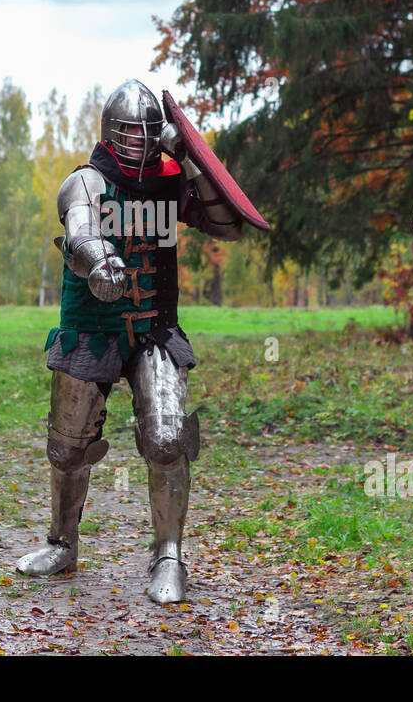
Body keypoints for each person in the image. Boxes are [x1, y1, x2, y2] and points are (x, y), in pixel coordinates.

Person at [15, 78, 243, 604]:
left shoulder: (168, 183)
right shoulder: (87, 181)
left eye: (148, 135)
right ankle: (62, 543)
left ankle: (169, 556)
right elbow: (80, 230)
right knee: (68, 450)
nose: (140, 144)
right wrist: (100, 260)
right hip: (91, 329)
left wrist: (189, 161)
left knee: (167, 440)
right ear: (110, 133)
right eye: (130, 134)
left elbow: (227, 225)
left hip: (153, 328)